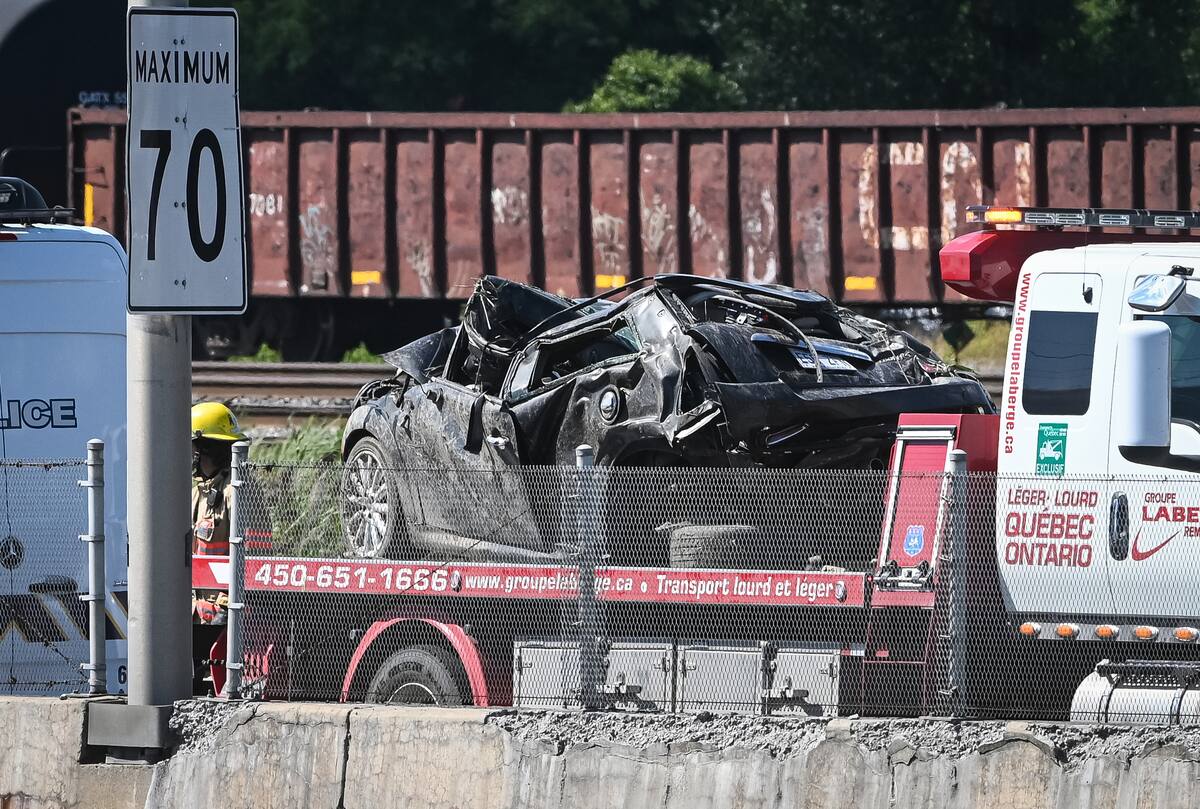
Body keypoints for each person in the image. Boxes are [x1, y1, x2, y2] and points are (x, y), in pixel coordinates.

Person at [191, 402, 247, 626]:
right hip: (200, 616)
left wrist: (226, 608)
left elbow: (251, 563)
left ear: (205, 449)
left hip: (225, 619)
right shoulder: (199, 493)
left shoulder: (238, 492)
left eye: (192, 447)